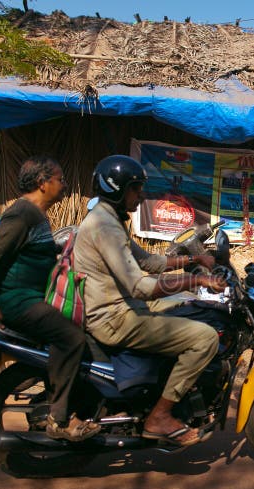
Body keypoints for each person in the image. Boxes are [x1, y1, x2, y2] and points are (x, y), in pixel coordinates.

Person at [74, 155, 226, 447]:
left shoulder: (110, 220)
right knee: (205, 338)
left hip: (123, 305)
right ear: (117, 189)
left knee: (190, 305)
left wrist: (196, 259)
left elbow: (150, 261)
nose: (141, 195)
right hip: (115, 317)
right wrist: (198, 280)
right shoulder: (104, 226)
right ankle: (160, 417)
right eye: (135, 188)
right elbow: (141, 286)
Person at [0, 156, 100, 441]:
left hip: (32, 297)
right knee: (71, 338)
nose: (65, 185)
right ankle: (60, 418)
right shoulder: (23, 214)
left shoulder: (36, 215)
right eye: (60, 179)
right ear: (43, 184)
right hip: (18, 302)